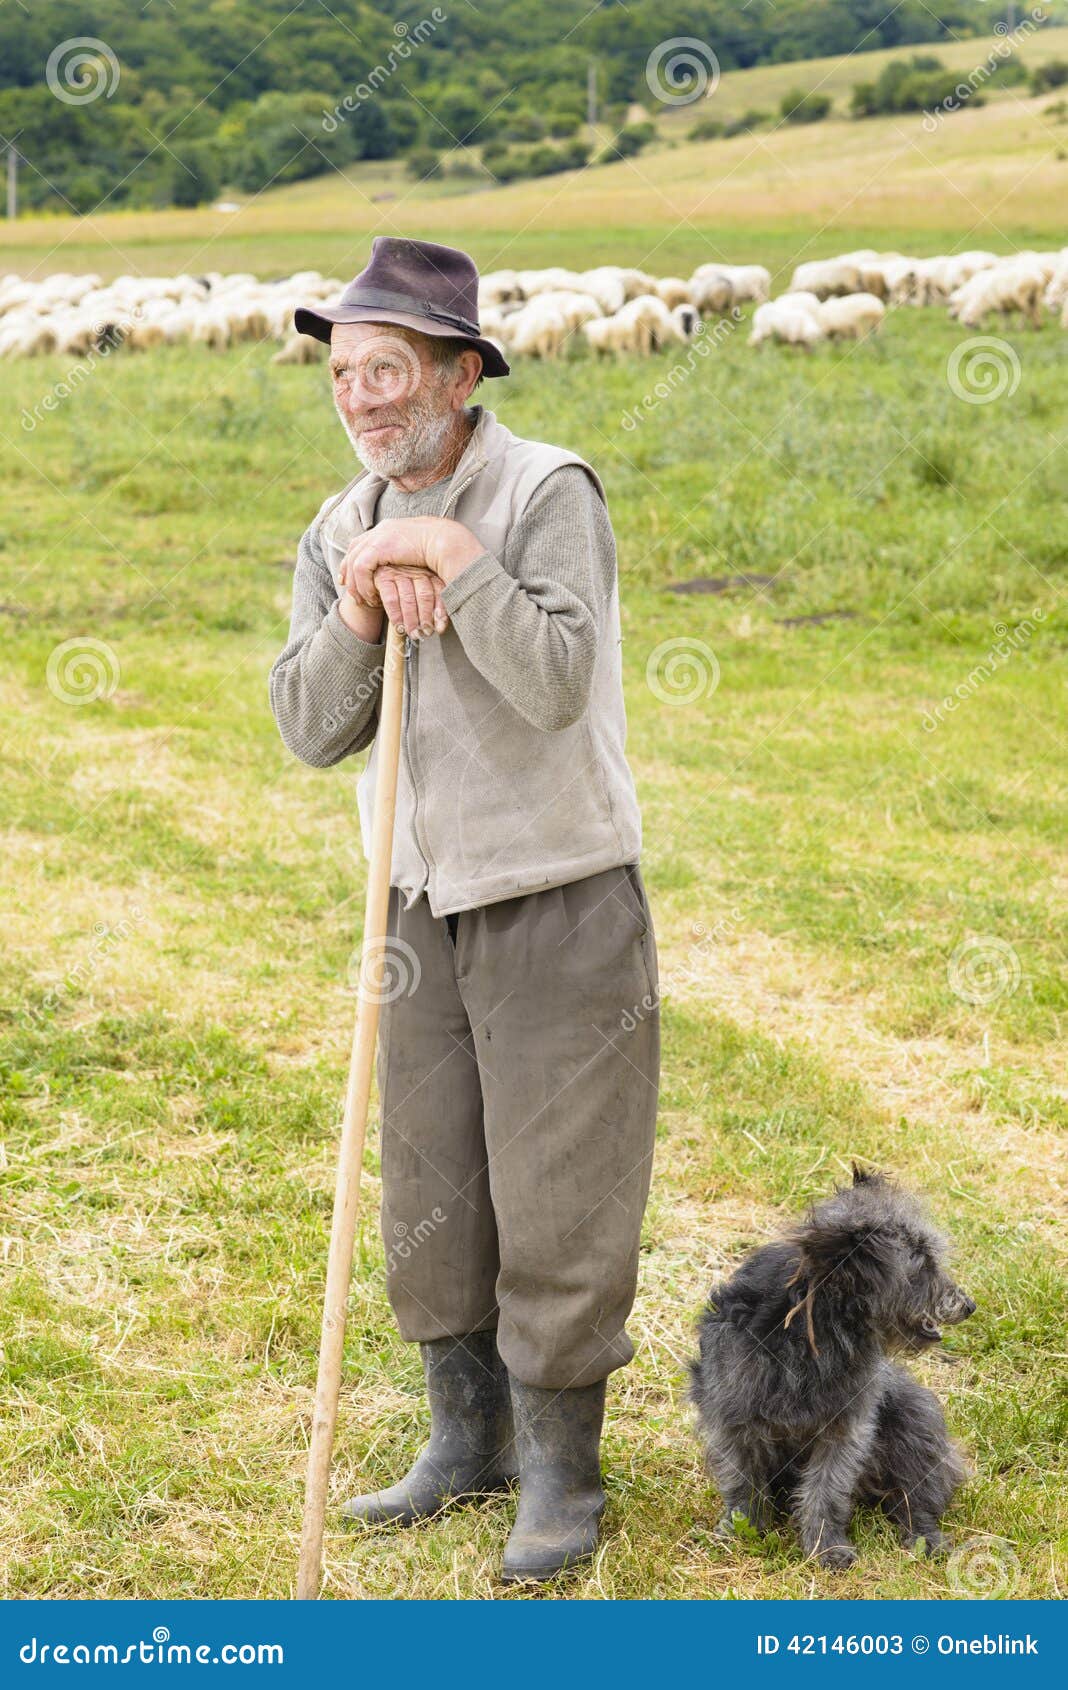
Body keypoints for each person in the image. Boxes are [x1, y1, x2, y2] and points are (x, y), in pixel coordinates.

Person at [269, 237, 659, 1582]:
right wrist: (365, 609)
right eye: (342, 374)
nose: (362, 397)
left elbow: (556, 680)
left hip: (555, 890)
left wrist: (453, 554)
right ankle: (465, 1440)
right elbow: (311, 727)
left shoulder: (549, 489)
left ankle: (561, 1476)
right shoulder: (338, 523)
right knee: (432, 1180)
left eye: (387, 369)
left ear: (457, 372)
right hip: (411, 897)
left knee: (560, 1194)